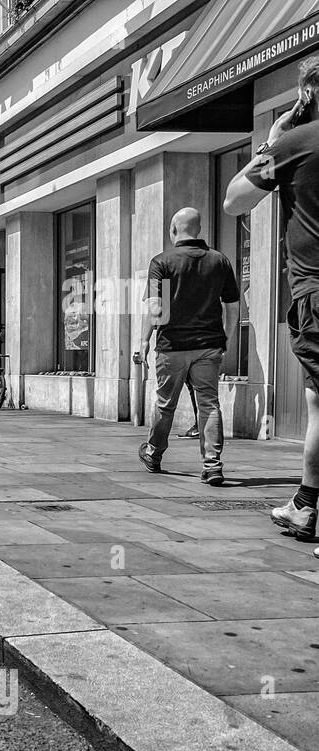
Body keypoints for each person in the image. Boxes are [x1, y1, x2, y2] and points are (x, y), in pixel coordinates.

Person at [226, 57, 319, 542]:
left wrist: (271, 141)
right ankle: (305, 503)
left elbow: (235, 199)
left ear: (308, 96)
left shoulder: (294, 144)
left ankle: (307, 505)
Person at [137, 208, 239, 485]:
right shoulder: (220, 261)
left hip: (172, 346)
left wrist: (145, 340)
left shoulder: (162, 262)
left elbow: (158, 309)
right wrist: (226, 338)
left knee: (165, 404)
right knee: (209, 404)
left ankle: (154, 454)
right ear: (199, 229)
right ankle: (213, 465)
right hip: (209, 346)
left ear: (173, 230)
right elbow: (232, 306)